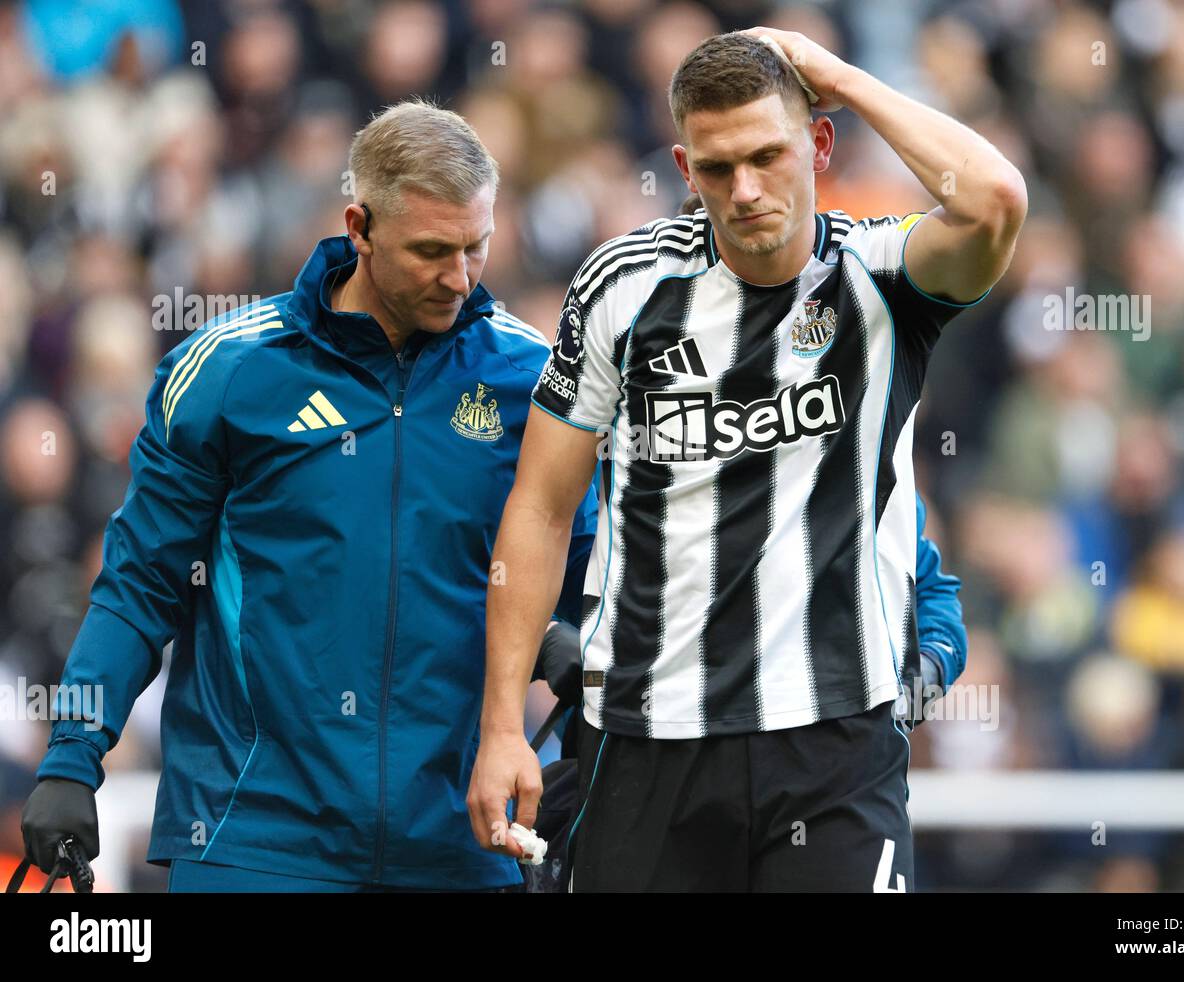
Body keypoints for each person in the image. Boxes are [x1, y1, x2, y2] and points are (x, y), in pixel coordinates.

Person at [468, 28, 1025, 891]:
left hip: (837, 741)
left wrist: (838, 77)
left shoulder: (880, 276)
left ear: (820, 143)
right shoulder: (625, 288)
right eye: (718, 169)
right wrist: (505, 724)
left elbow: (993, 199)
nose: (747, 189)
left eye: (770, 155)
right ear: (687, 173)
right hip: (648, 736)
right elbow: (540, 508)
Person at [20, 98, 596, 892]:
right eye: (430, 250)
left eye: (477, 246)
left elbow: (588, 575)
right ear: (358, 227)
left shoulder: (534, 381)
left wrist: (565, 635)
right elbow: (139, 583)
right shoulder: (229, 371)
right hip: (255, 837)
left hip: (463, 840)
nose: (459, 278)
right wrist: (72, 756)